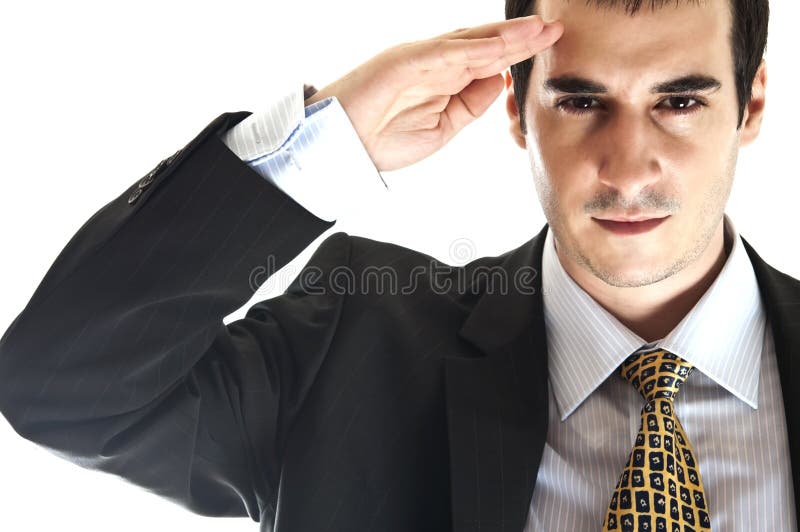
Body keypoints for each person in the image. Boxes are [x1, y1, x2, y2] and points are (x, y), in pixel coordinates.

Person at [0, 0, 793, 531]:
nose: (626, 169)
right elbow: (62, 392)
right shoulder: (352, 348)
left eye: (679, 102)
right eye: (581, 102)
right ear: (517, 109)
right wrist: (320, 149)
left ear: (751, 103)